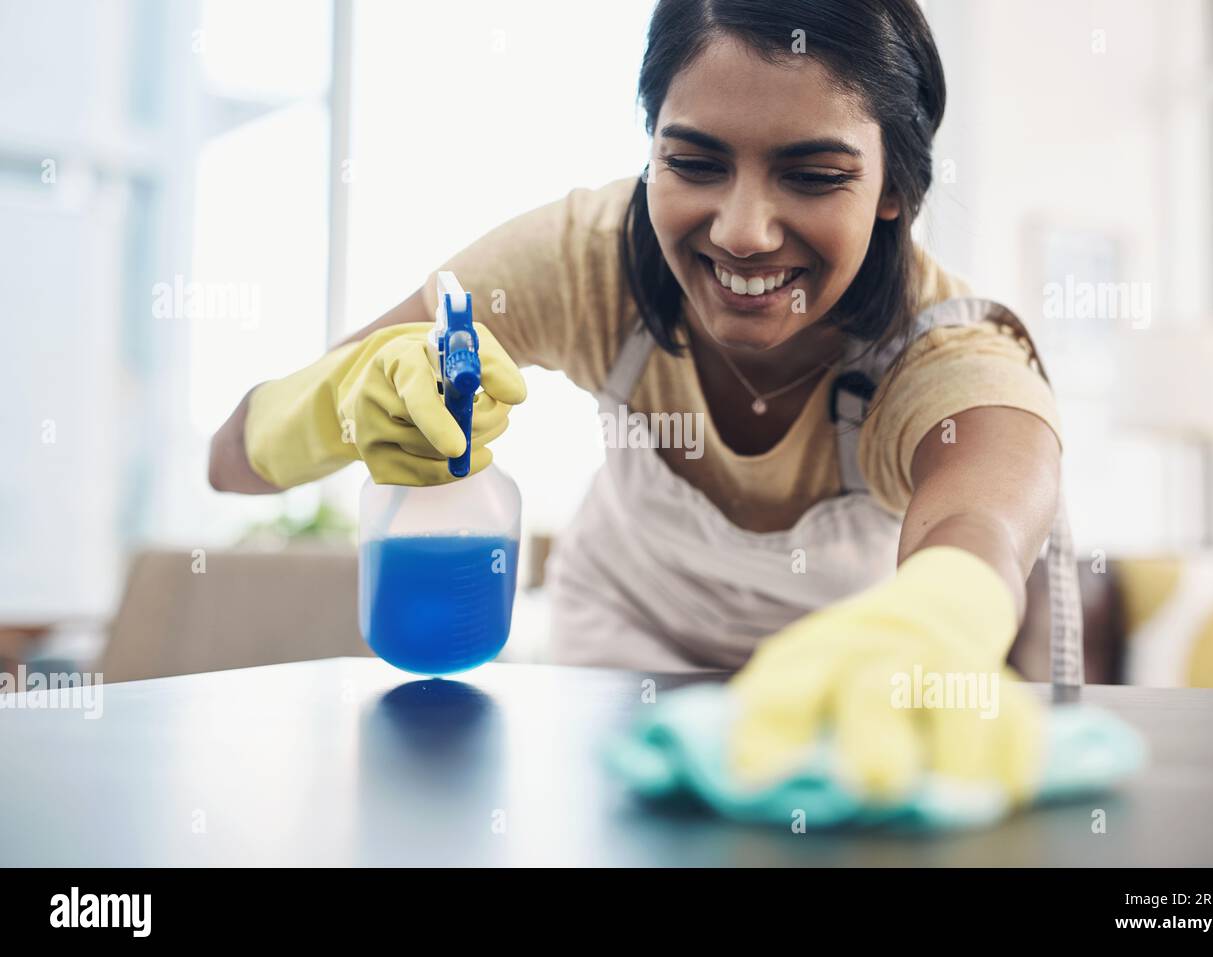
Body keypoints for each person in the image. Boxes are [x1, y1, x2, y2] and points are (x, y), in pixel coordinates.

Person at [210, 0, 1081, 797]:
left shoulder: (947, 351)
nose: (743, 231)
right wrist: (345, 404)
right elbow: (232, 463)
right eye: (694, 162)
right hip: (611, 686)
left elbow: (985, 526)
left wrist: (943, 614)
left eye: (813, 175)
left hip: (840, 720)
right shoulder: (582, 262)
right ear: (650, 147)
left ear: (896, 187)